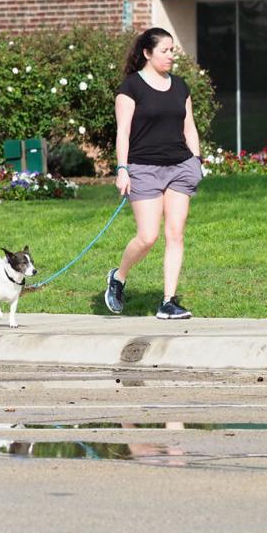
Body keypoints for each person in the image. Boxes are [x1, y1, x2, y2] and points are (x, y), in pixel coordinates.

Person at [104, 27, 202, 320]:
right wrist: (122, 169)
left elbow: (189, 127)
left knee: (176, 234)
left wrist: (196, 161)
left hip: (180, 167)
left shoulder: (181, 87)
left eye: (173, 50)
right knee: (147, 237)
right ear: (147, 53)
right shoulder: (130, 88)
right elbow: (122, 132)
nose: (171, 56)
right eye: (165, 50)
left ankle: (168, 301)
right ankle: (118, 277)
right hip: (143, 167)